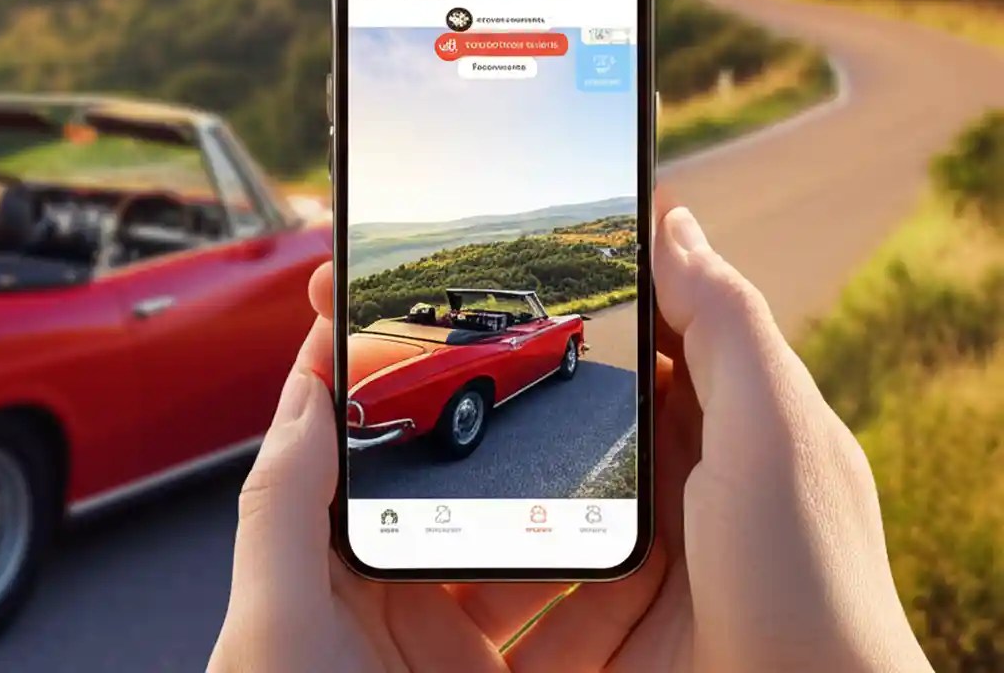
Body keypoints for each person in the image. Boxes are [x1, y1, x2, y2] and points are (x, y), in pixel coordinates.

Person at [208, 200, 933, 673]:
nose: (571, 343)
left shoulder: (400, 327)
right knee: (454, 411)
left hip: (398, 364)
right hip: (441, 378)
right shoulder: (527, 331)